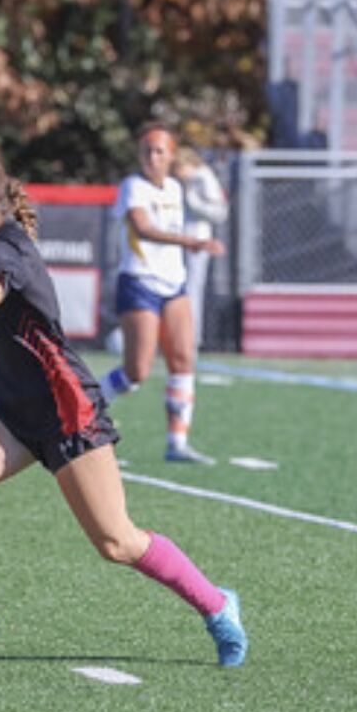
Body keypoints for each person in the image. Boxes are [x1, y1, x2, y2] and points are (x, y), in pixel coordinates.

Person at [0, 150, 247, 666]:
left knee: (116, 541)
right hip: (15, 409)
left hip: (69, 411)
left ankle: (218, 604)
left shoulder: (6, 247)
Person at [98, 123, 226, 465]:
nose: (152, 158)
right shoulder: (132, 186)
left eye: (159, 151)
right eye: (147, 151)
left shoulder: (174, 188)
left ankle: (177, 443)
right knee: (136, 371)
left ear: (171, 156)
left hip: (174, 283)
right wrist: (193, 242)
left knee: (183, 359)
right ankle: (84, 410)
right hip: (139, 281)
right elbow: (144, 229)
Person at [173, 146, 229, 351]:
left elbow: (219, 212)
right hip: (180, 239)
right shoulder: (182, 181)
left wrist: (192, 200)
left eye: (179, 167)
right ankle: (180, 332)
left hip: (198, 240)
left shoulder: (203, 177)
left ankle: (192, 336)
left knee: (192, 288)